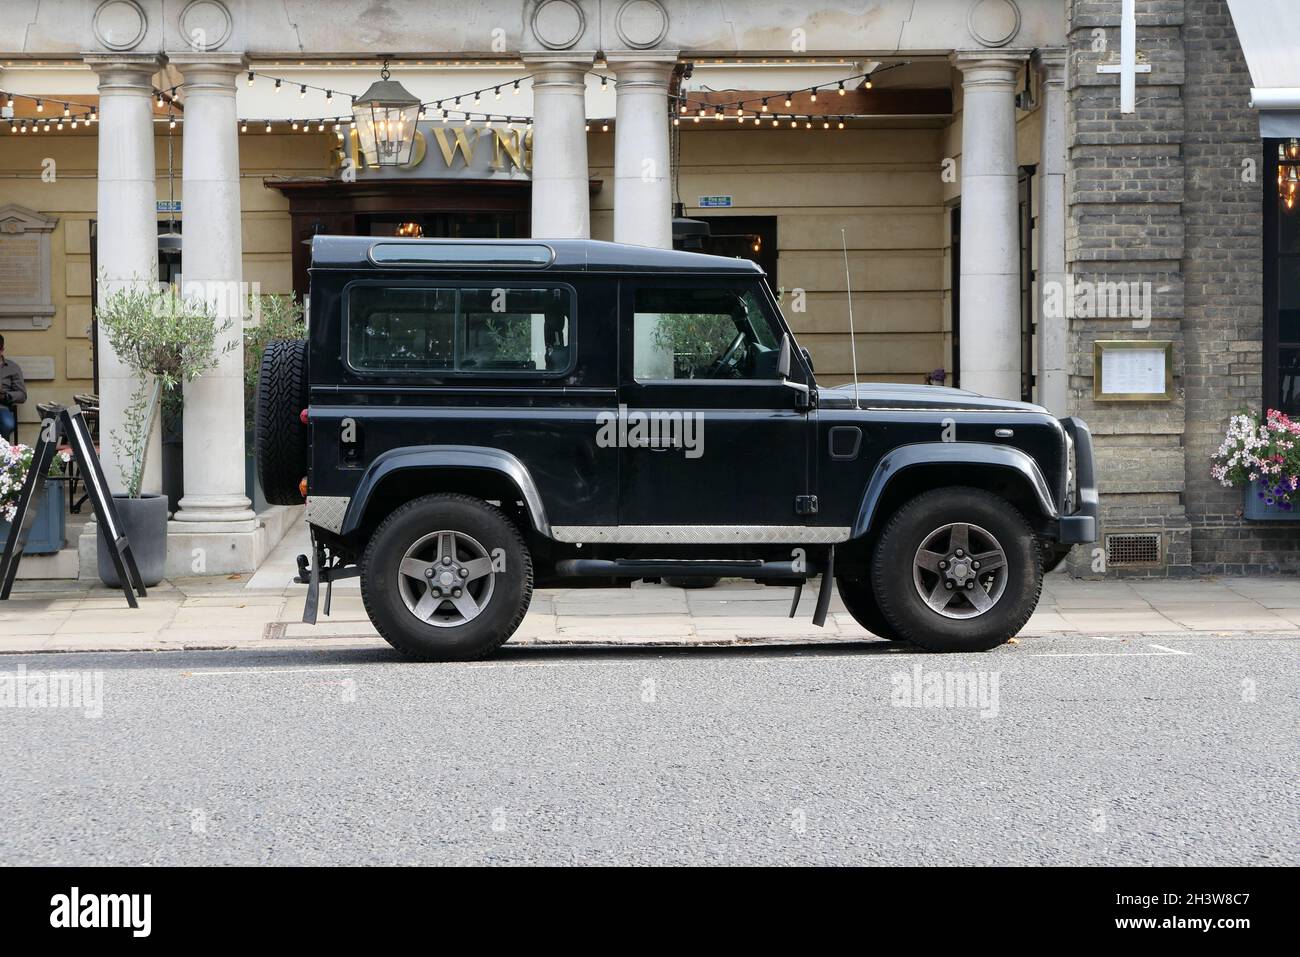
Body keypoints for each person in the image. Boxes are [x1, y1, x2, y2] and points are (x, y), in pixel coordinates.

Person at [0, 334, 27, 439]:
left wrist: (6, 396)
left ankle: (2, 452)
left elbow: (22, 395)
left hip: (2, 407)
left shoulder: (12, 368)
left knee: (8, 424)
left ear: (2, 350)